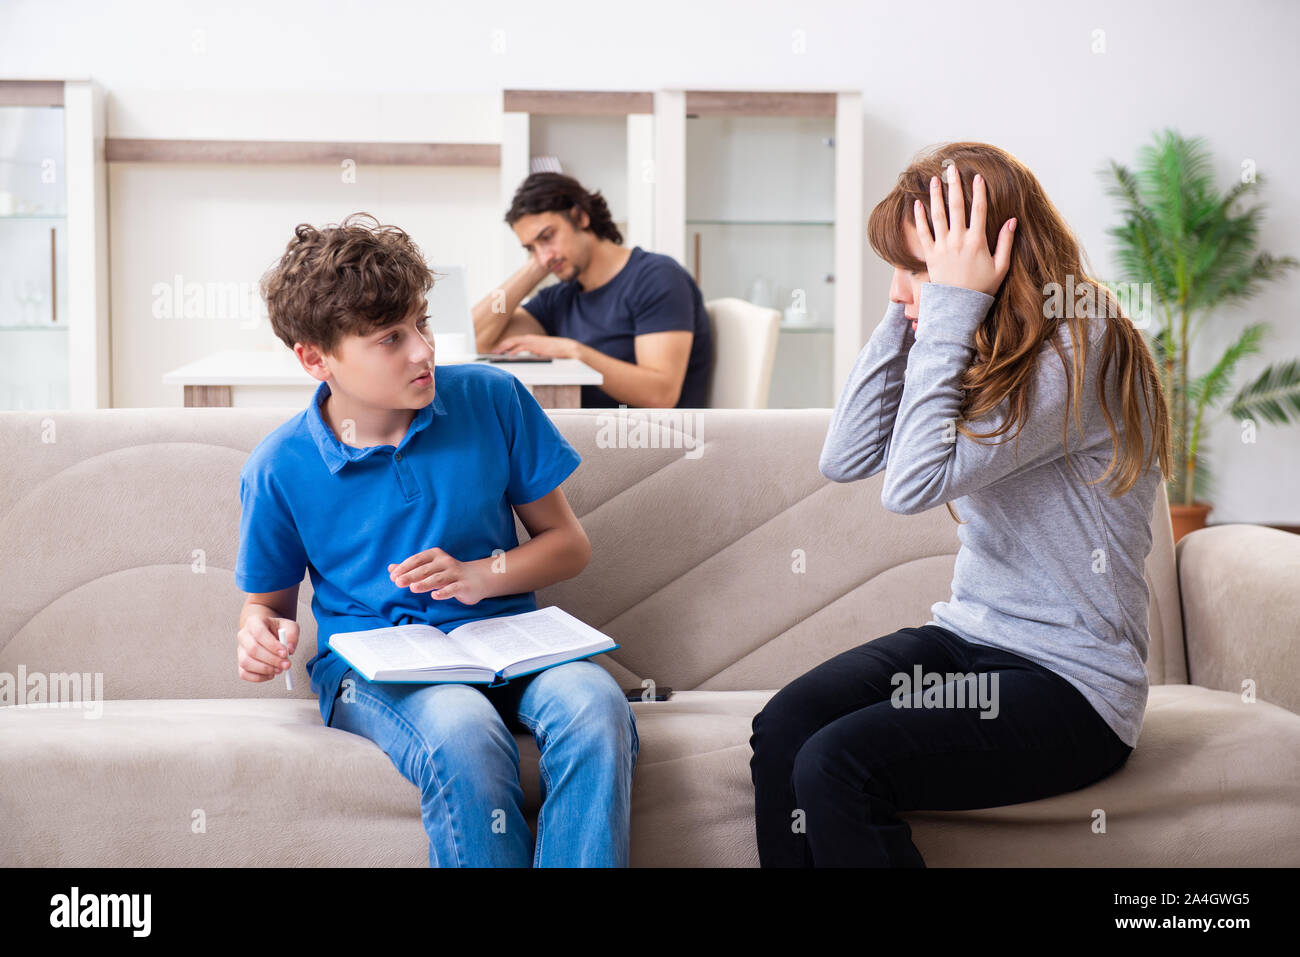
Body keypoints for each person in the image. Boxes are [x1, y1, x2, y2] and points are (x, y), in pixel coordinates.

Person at [749, 142, 1173, 867]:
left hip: (1072, 682)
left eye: (921, 267)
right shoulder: (977, 337)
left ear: (995, 254)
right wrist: (906, 312)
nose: (905, 290)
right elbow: (844, 456)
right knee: (785, 727)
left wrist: (945, 308)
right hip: (970, 636)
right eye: (902, 267)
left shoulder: (1085, 345)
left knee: (836, 764)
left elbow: (909, 486)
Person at [234, 212, 638, 867]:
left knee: (597, 705)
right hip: (374, 670)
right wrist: (260, 633)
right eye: (390, 339)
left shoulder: (492, 399)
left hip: (509, 647)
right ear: (315, 358)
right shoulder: (279, 466)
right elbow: (268, 607)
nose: (423, 351)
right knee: (463, 728)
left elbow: (568, 544)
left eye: (421, 324)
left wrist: (483, 574)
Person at [473, 172, 713, 409]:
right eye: (530, 248)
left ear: (580, 217)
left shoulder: (657, 277)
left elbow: (660, 395)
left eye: (547, 237)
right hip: (585, 426)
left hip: (646, 432)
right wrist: (532, 270)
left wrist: (574, 351)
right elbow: (478, 338)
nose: (544, 256)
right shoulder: (560, 297)